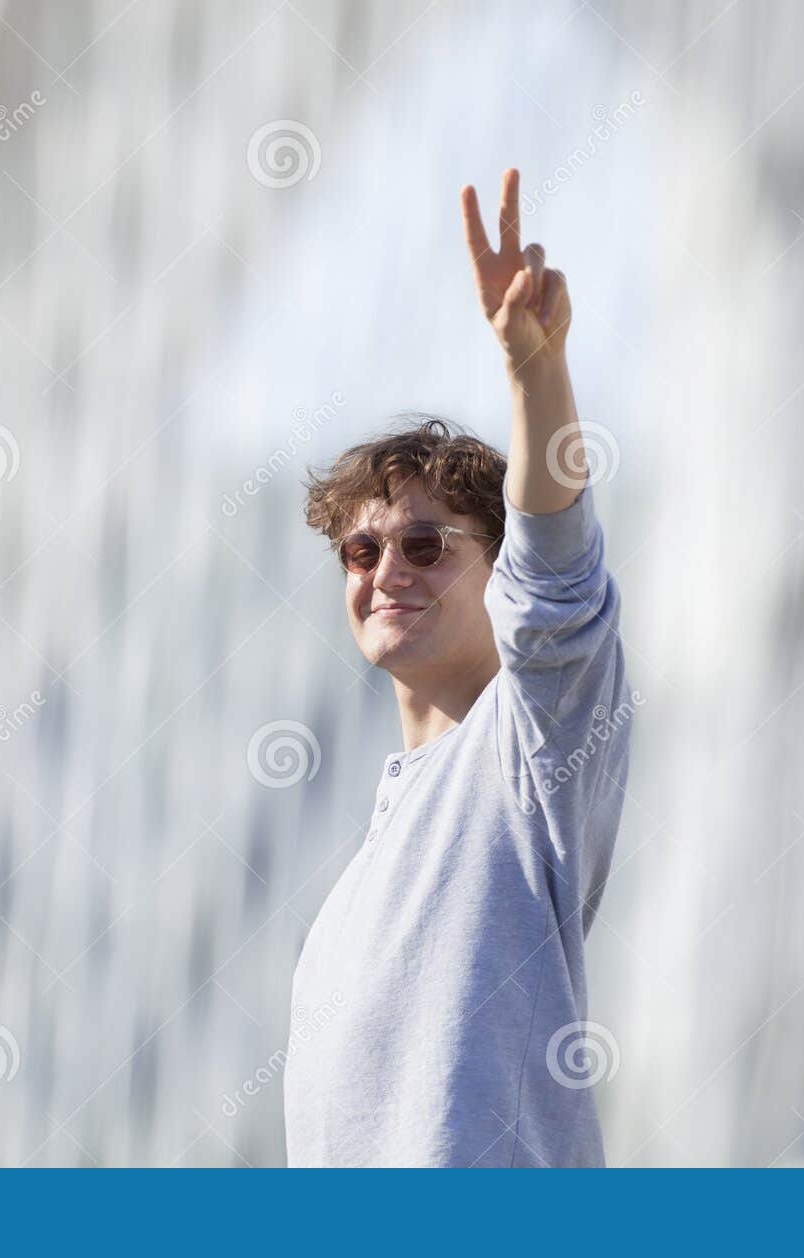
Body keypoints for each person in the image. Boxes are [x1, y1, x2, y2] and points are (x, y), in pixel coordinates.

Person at [284, 169, 633, 1167]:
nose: (386, 570)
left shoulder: (531, 754)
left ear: (496, 569)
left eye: (426, 545)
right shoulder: (358, 883)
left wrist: (534, 372)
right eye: (361, 552)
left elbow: (559, 589)